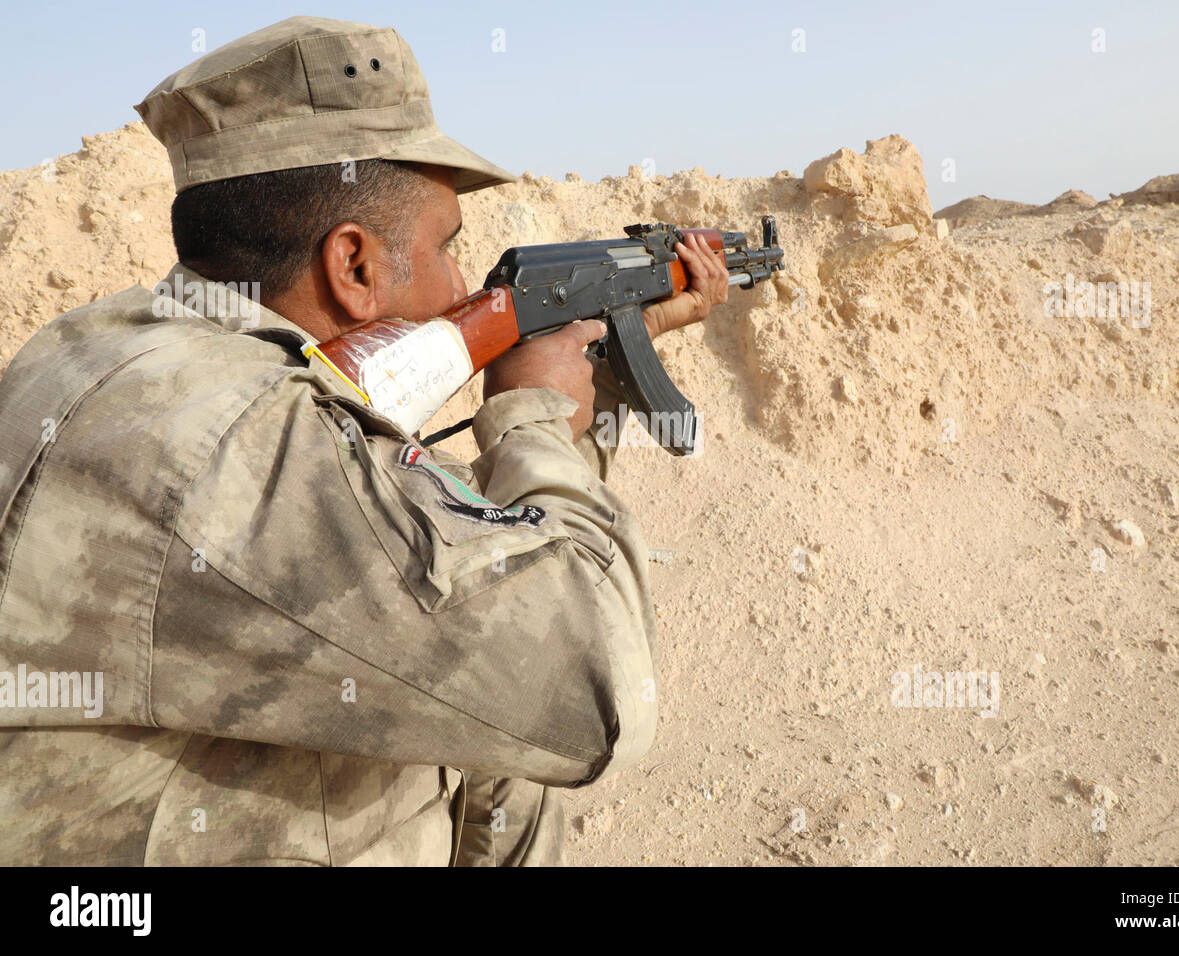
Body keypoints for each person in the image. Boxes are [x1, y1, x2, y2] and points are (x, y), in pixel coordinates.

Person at [0, 15, 726, 866]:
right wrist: (528, 414)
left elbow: (470, 559)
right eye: (447, 248)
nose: (463, 285)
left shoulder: (108, 346)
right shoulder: (240, 438)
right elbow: (596, 693)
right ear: (353, 266)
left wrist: (588, 379)